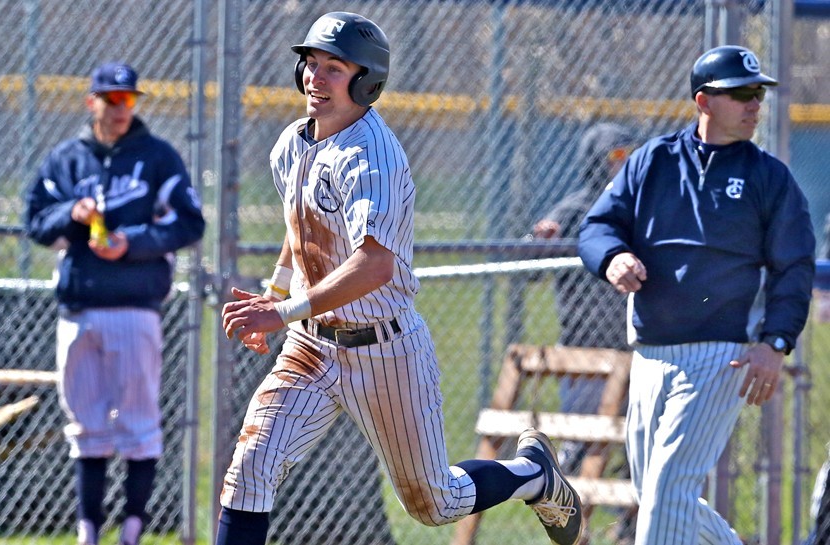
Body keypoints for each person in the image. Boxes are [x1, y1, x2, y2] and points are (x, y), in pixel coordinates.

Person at [217, 12, 583, 545]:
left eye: (334, 68)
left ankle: (533, 474)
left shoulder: (372, 155)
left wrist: (282, 310)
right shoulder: (291, 146)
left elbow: (375, 264)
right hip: (311, 346)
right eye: (311, 64)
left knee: (434, 503)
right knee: (249, 470)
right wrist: (275, 295)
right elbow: (303, 229)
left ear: (367, 81)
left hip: (383, 349)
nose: (315, 78)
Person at [578, 45, 815, 544]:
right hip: (650, 352)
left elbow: (793, 268)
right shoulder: (653, 161)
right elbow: (597, 227)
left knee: (667, 492)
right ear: (704, 102)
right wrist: (612, 257)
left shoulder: (768, 177)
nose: (755, 104)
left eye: (758, 94)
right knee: (661, 494)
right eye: (742, 94)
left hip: (721, 355)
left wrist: (774, 344)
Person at [25, 62, 205, 545]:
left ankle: (132, 531)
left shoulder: (156, 157)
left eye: (129, 99)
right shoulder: (67, 160)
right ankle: (88, 531)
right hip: (78, 310)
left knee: (139, 424)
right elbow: (35, 220)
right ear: (92, 103)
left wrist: (135, 242)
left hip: (135, 307)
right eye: (112, 99)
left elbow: (189, 223)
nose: (122, 107)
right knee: (85, 426)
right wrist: (71, 211)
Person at [531, 122, 637, 473]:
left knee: (637, 443)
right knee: (583, 441)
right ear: (596, 162)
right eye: (616, 157)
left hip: (634, 347)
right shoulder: (575, 209)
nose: (624, 164)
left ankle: (628, 525)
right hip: (585, 345)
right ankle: (564, 505)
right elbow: (531, 272)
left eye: (630, 156)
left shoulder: (638, 208)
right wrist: (542, 243)